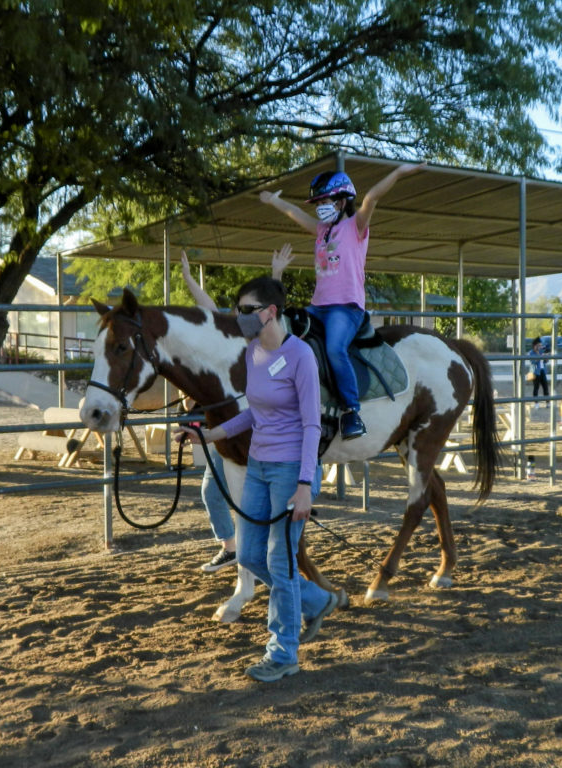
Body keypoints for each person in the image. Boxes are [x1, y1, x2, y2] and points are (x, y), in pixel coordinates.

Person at [176, 274, 337, 683]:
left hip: (290, 471)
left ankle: (282, 653)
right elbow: (254, 412)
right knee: (249, 555)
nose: (240, 317)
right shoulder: (252, 354)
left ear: (270, 312)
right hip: (260, 466)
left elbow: (312, 424)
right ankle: (316, 599)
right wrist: (211, 433)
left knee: (279, 564)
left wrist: (304, 485)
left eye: (246, 311)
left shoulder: (300, 356)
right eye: (237, 311)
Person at [260, 162, 426, 439]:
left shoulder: (355, 227)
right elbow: (295, 212)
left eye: (325, 201)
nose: (320, 206)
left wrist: (398, 173)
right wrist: (275, 202)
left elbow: (372, 197)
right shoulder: (322, 231)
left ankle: (351, 412)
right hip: (318, 305)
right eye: (318, 202)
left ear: (341, 201)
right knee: (285, 330)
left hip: (346, 308)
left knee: (335, 349)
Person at [179, 245, 299, 574]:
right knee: (210, 491)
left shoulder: (270, 339)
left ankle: (257, 559)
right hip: (231, 426)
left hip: (257, 432)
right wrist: (189, 280)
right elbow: (208, 308)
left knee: (253, 501)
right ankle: (231, 549)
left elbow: (277, 313)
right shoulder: (234, 332)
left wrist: (276, 275)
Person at [529, 337, 549, 406]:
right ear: (535, 345)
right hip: (535, 372)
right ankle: (536, 403)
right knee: (536, 388)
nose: (540, 346)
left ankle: (547, 402)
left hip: (542, 371)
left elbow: (545, 362)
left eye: (540, 345)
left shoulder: (541, 351)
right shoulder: (531, 353)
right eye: (539, 345)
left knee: (545, 387)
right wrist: (540, 357)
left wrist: (546, 357)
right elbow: (533, 362)